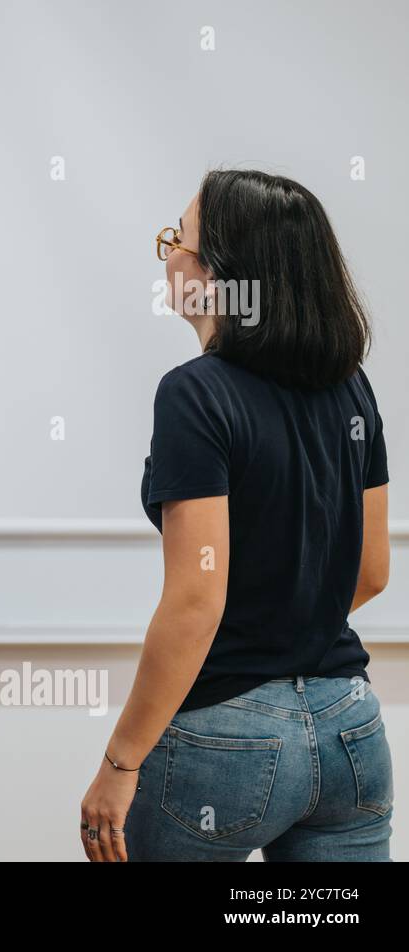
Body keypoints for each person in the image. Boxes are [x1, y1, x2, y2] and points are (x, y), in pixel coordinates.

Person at [80, 169, 393, 861]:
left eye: (179, 240)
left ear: (222, 272)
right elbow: (372, 571)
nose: (168, 256)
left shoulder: (195, 395)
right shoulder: (353, 388)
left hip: (226, 736)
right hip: (352, 730)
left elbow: (197, 600)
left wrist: (120, 762)